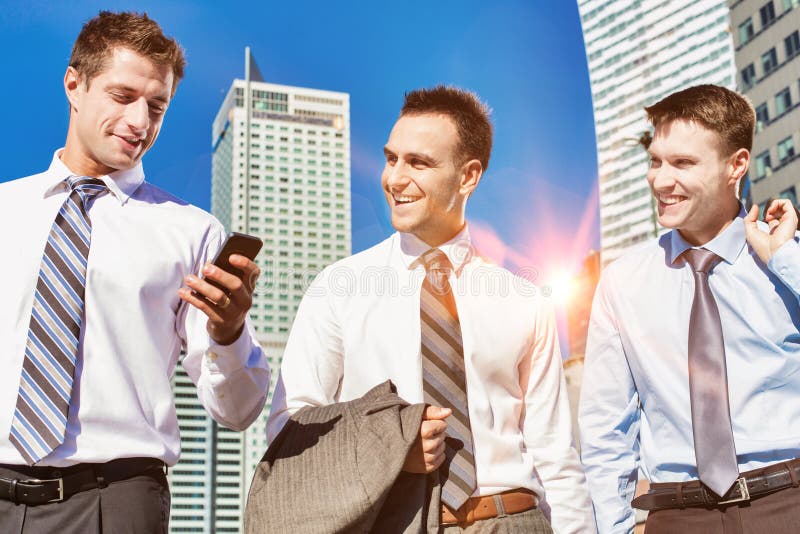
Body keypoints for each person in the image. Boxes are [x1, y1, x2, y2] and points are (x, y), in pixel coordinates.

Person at [267, 85, 595, 533]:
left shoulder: (524, 300)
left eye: (418, 163)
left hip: (513, 519)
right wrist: (390, 449)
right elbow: (290, 427)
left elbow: (556, 456)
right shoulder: (338, 287)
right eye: (391, 158)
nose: (394, 179)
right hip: (392, 520)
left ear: (468, 177)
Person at [0, 11, 269, 533]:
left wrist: (229, 332)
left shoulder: (191, 233)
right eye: (123, 97)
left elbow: (237, 411)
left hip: (115, 504)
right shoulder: (4, 211)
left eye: (157, 106)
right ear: (74, 85)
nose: (140, 123)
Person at [579, 84, 800, 533]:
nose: (660, 180)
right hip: (677, 516)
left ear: (735, 165)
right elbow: (606, 429)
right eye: (656, 161)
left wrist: (785, 260)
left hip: (789, 504)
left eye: (683, 163)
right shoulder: (623, 282)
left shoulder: (784, 259)